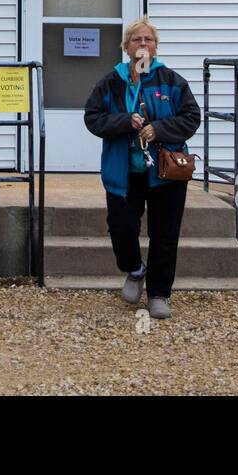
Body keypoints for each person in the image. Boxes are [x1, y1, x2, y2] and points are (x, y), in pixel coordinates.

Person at [83, 16, 200, 320]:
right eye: (137, 40)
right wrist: (125, 121)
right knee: (121, 228)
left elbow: (191, 118)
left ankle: (159, 293)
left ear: (156, 47)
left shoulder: (172, 81)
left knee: (165, 234)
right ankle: (135, 270)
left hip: (165, 174)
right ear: (126, 47)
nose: (143, 44)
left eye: (149, 40)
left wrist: (158, 129)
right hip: (124, 172)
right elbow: (92, 118)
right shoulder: (111, 82)